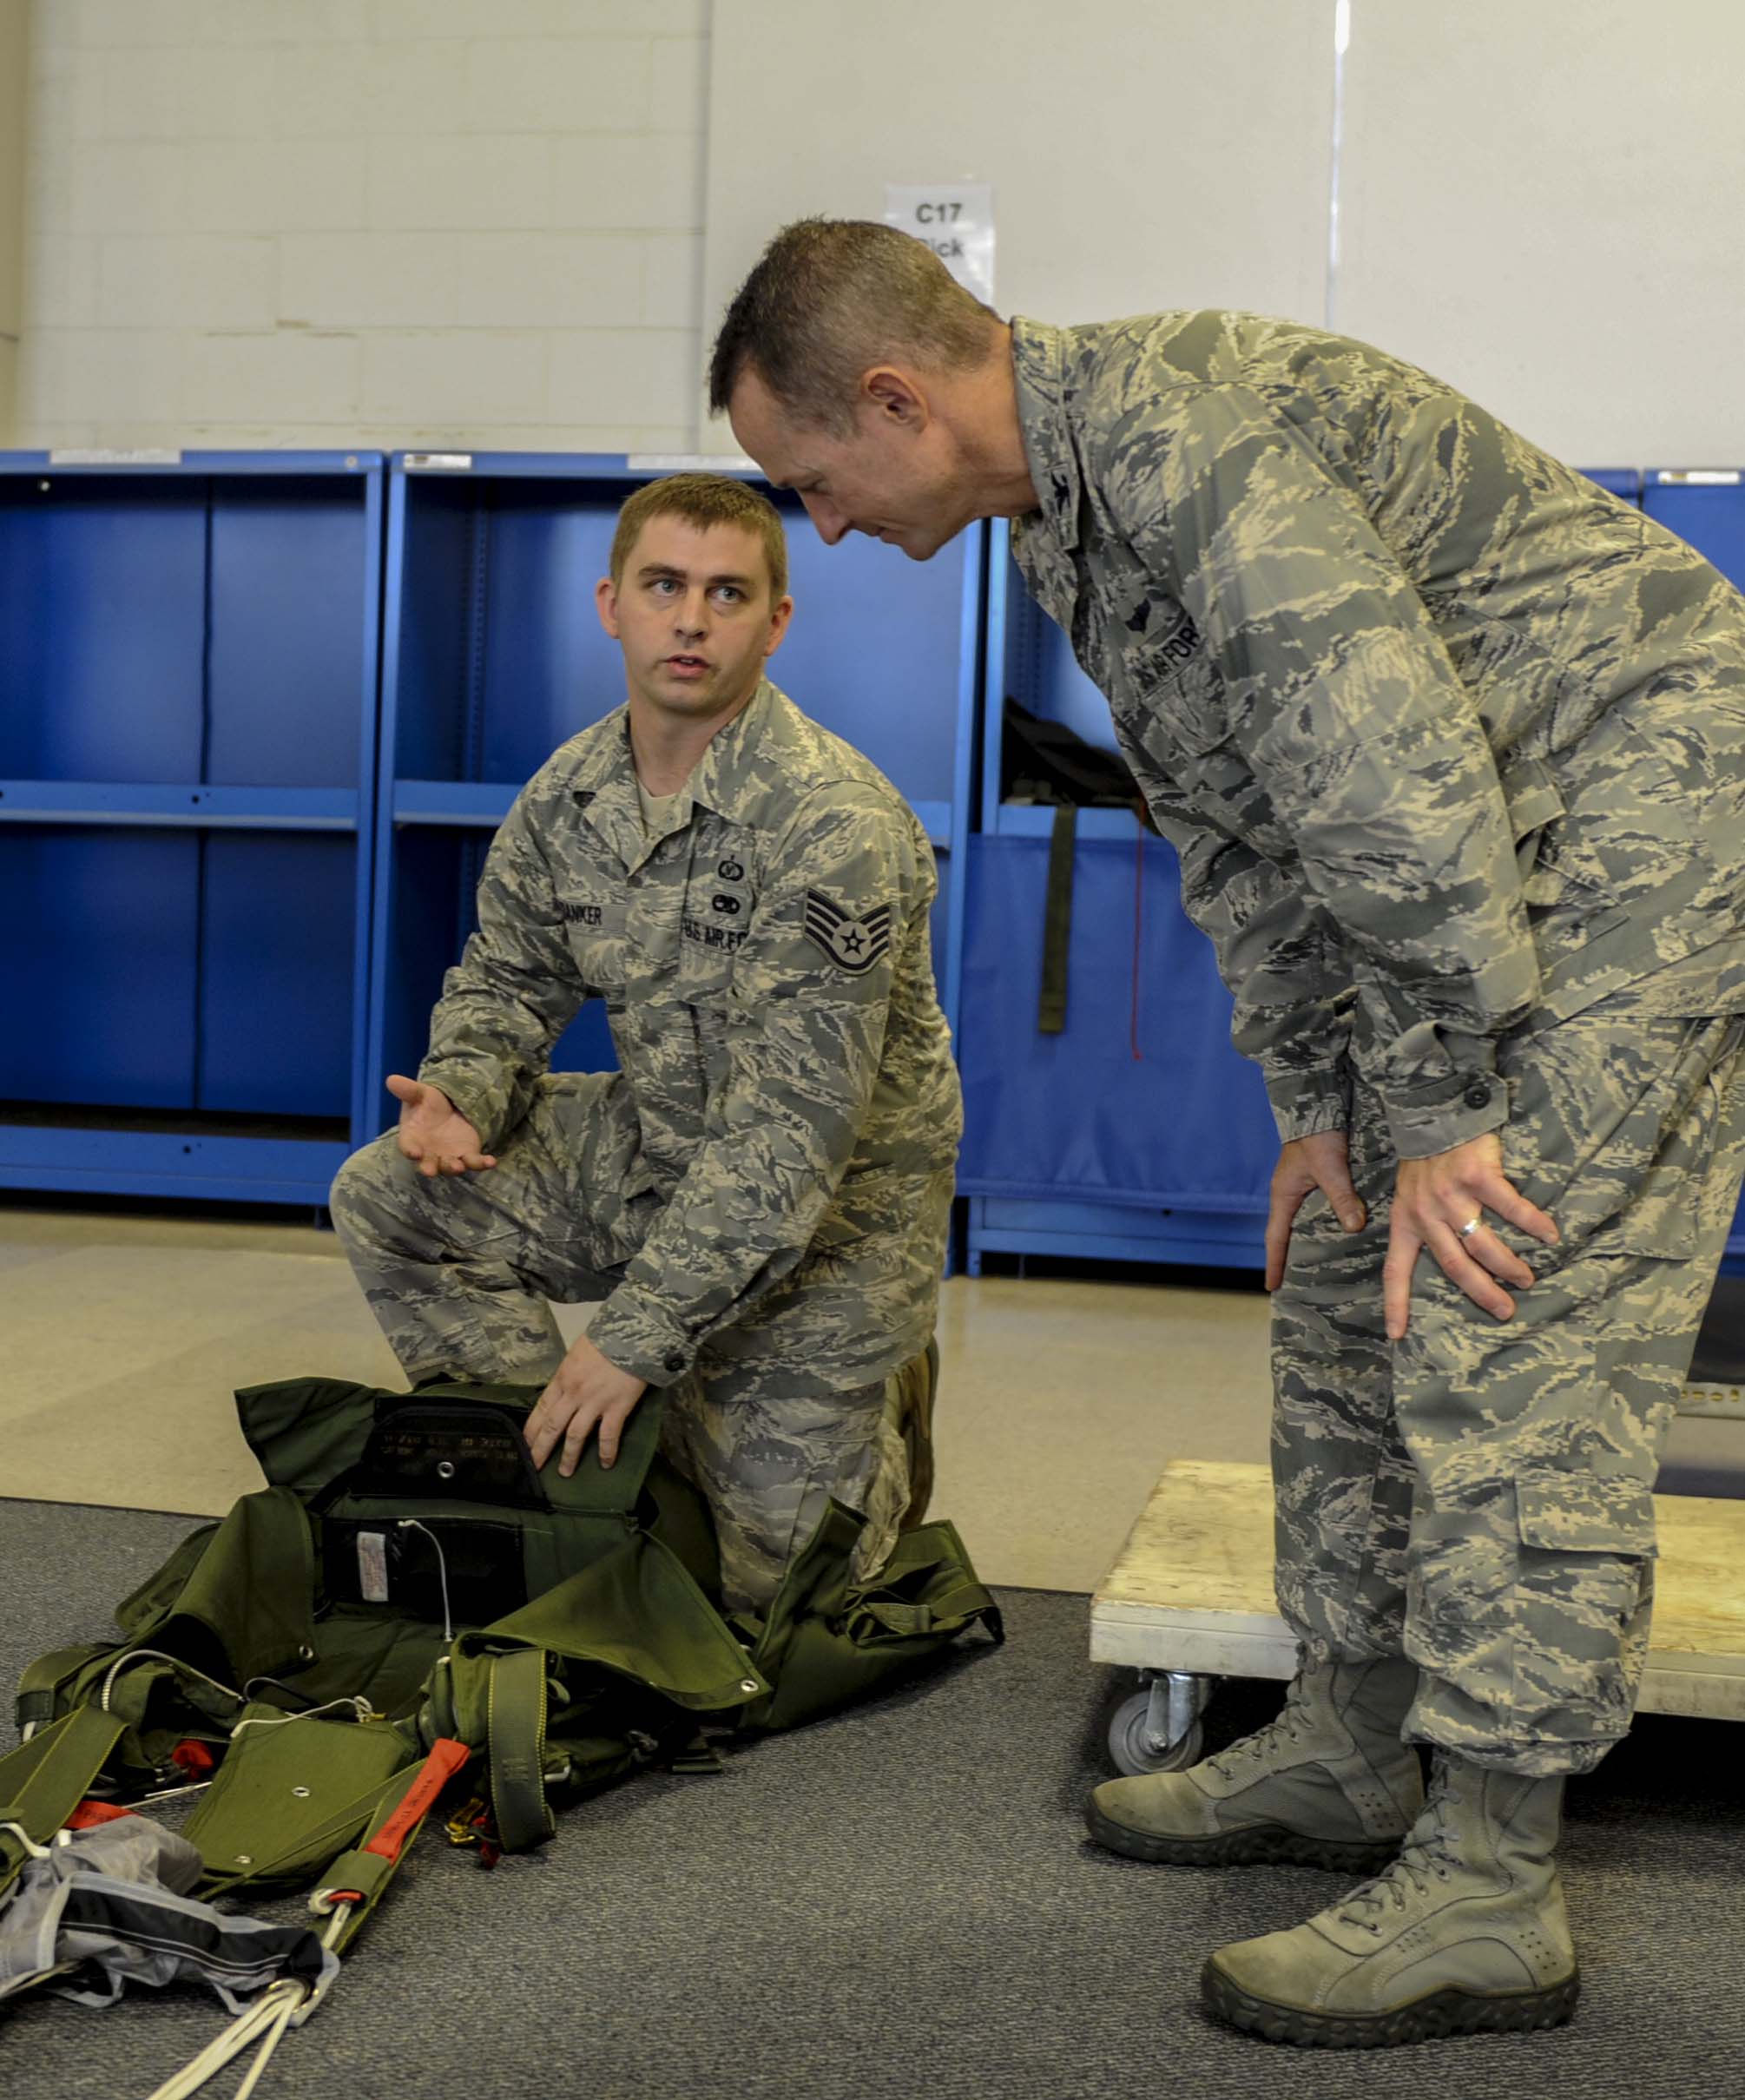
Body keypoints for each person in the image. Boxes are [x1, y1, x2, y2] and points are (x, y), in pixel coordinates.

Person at [709, 219, 1745, 2045]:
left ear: (893, 398)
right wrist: (1327, 1106)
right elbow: (1244, 832)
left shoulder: (1186, 444)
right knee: (1358, 1243)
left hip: (1646, 808)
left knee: (1508, 1282)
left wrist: (1434, 1102)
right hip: (1488, 844)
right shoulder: (1068, 518)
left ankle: (1494, 1881)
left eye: (815, 483)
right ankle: (1351, 1745)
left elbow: (1387, 773)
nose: (831, 529)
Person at [330, 471, 962, 1618]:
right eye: (663, 585)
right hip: (663, 1154)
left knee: (772, 1599)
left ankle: (870, 1393)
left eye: (727, 594)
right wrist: (465, 1088)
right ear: (610, 601)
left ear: (774, 623)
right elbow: (508, 975)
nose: (690, 618)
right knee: (387, 1195)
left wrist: (623, 1342)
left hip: (829, 1227)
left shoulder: (833, 826)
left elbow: (785, 1151)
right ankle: (566, 1467)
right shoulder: (567, 795)